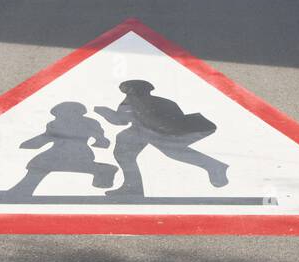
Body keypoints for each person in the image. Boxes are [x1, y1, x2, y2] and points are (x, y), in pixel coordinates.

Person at [93, 80, 229, 197]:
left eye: (130, 93)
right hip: (144, 131)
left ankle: (215, 166)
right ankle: (132, 186)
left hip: (160, 132)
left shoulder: (135, 103)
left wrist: (104, 111)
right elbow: (124, 120)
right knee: (124, 150)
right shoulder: (158, 102)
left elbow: (120, 120)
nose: (128, 96)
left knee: (172, 150)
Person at [0, 102, 117, 199]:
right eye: (57, 113)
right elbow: (47, 136)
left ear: (74, 112)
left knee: (41, 164)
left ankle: (103, 170)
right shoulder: (55, 123)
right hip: (57, 150)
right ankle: (22, 191)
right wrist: (31, 143)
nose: (58, 115)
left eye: (60, 112)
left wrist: (101, 141)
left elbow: (100, 136)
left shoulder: (89, 122)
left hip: (79, 151)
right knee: (37, 164)